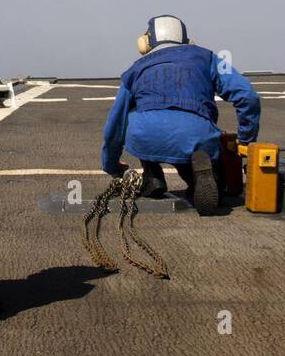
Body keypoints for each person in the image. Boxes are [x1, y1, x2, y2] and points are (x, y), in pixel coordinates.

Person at [101, 15, 261, 215]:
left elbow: (115, 124)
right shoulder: (207, 58)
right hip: (196, 134)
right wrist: (247, 140)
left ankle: (153, 176)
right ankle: (198, 179)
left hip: (146, 136)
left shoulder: (134, 70)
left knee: (142, 115)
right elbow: (248, 96)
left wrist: (111, 164)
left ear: (145, 42)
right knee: (192, 143)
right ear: (186, 40)